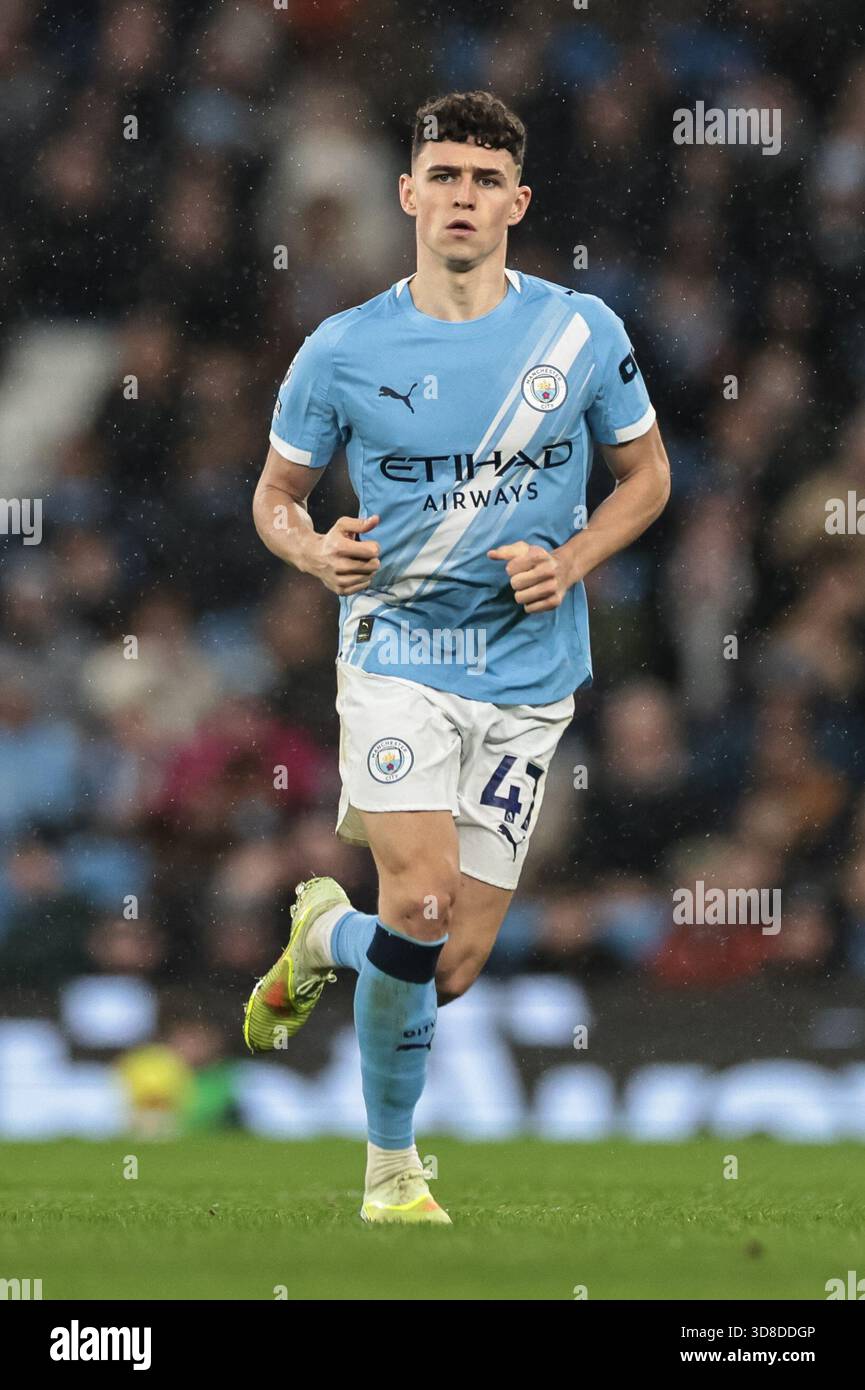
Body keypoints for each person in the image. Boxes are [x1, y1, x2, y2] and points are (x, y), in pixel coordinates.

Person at [243, 90, 670, 1224]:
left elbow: (648, 480)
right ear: (409, 195)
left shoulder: (582, 332)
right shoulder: (341, 348)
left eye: (485, 180)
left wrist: (572, 557)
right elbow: (276, 498)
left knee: (453, 956)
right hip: (397, 648)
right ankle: (391, 1170)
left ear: (517, 203)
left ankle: (326, 929)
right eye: (444, 176)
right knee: (422, 904)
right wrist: (313, 550)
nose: (463, 197)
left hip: (529, 673)